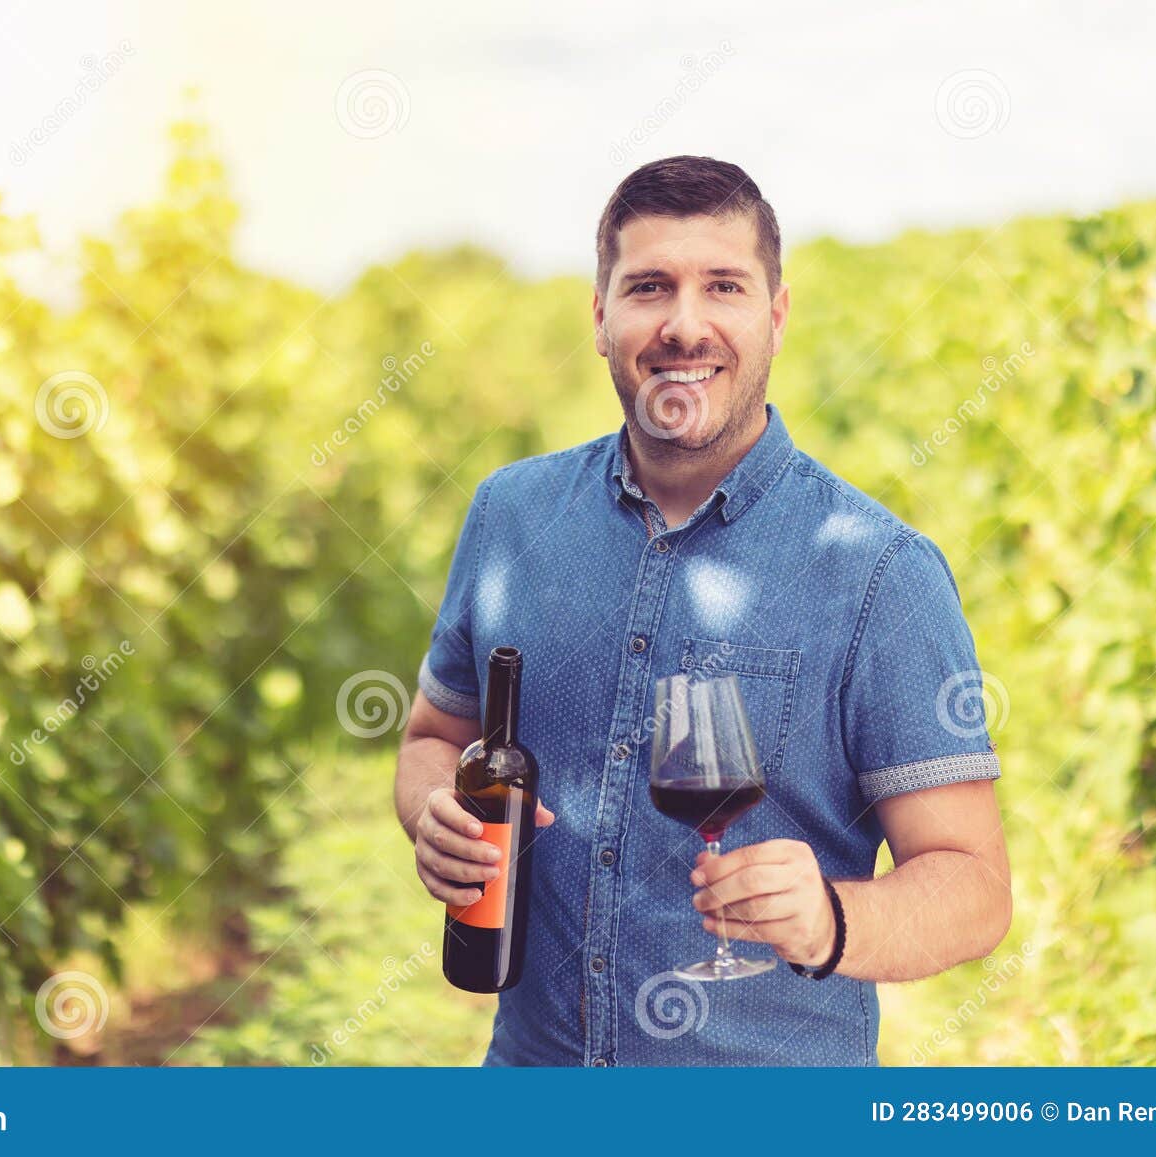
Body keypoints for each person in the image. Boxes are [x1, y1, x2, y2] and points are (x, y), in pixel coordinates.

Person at [393, 155, 1011, 1066]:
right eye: (649, 287)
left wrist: (831, 919)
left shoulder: (879, 571)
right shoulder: (511, 514)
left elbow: (975, 888)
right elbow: (432, 736)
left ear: (776, 315)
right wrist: (433, 810)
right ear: (599, 317)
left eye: (724, 285)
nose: (685, 324)